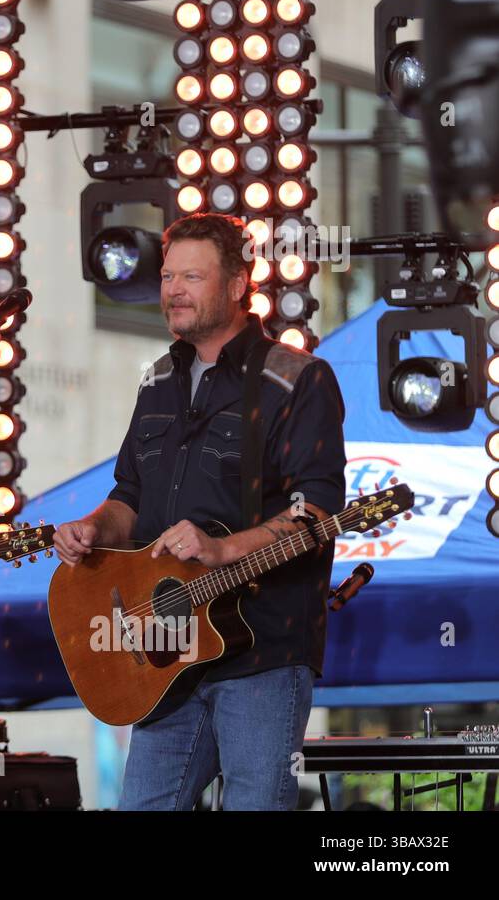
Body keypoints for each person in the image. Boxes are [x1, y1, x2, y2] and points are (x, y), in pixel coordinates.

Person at [52, 213, 346, 811]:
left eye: (192, 275)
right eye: (166, 276)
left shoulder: (298, 377)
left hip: (263, 652)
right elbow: (130, 497)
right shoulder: (158, 379)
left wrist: (221, 549)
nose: (173, 290)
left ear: (238, 285)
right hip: (166, 653)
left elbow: (315, 515)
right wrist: (93, 527)